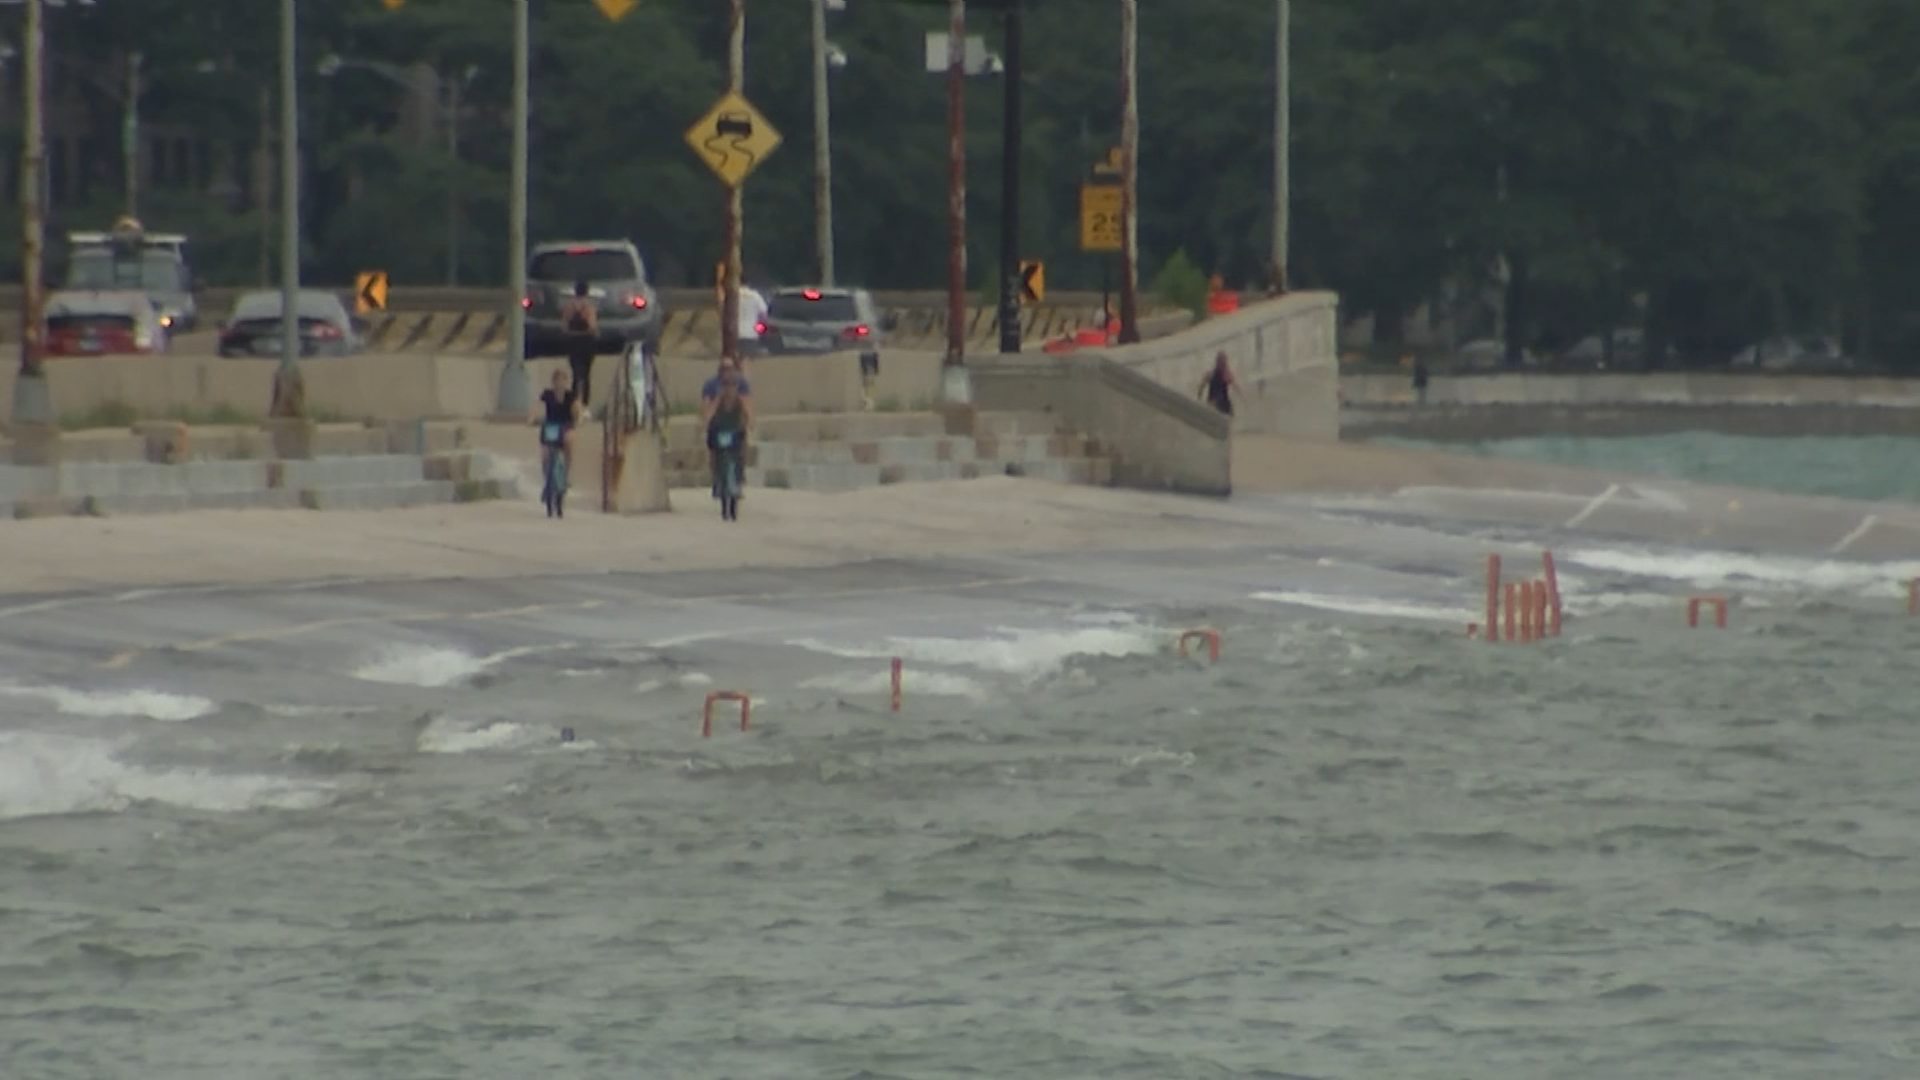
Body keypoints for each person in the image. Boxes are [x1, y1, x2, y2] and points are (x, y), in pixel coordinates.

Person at [704, 362, 751, 520]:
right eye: (727, 386)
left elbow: (746, 413)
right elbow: (708, 415)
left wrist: (747, 423)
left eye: (732, 386)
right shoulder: (717, 399)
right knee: (716, 457)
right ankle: (717, 482)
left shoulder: (738, 400)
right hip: (719, 433)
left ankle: (739, 477)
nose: (729, 389)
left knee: (740, 454)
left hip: (733, 433)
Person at [532, 367, 581, 497]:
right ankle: (547, 482)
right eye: (557, 380)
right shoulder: (547, 394)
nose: (560, 383)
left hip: (566, 426)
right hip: (551, 426)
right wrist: (532, 417)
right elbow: (537, 406)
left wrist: (580, 418)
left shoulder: (570, 396)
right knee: (546, 453)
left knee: (569, 442)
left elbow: (578, 408)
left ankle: (565, 475)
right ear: (553, 382)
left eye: (562, 380)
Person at [559, 280, 598, 408]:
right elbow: (592, 327)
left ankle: (574, 403)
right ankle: (585, 404)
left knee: (576, 374)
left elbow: (564, 328)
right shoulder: (589, 307)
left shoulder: (568, 307)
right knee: (586, 375)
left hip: (573, 342)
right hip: (587, 342)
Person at [1197, 350, 1237, 417]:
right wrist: (1199, 399)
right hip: (1214, 403)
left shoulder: (1226, 373)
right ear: (1217, 362)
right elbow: (1201, 386)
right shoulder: (1211, 374)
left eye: (1224, 362)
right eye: (1221, 362)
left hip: (1224, 404)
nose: (1224, 364)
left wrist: (1244, 399)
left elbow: (1235, 385)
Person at [737, 278, 769, 358]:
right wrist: (761, 329)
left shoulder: (731, 296)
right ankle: (743, 370)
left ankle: (738, 370)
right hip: (751, 332)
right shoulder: (755, 296)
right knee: (745, 358)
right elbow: (764, 315)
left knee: (734, 358)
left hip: (734, 333)